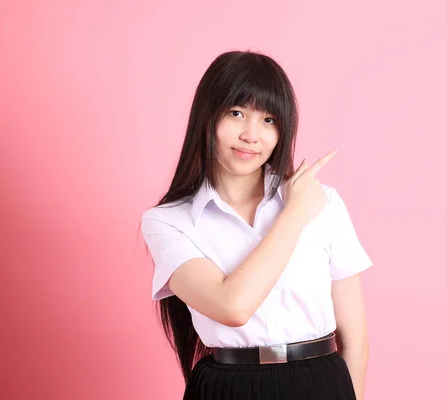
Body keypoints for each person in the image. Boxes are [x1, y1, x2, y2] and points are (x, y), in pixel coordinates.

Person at [140, 50, 373, 399]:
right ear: (207, 118)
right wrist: (293, 216)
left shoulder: (324, 204)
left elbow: (355, 340)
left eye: (268, 120)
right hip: (228, 387)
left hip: (321, 384)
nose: (251, 135)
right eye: (236, 114)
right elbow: (232, 307)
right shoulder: (168, 221)